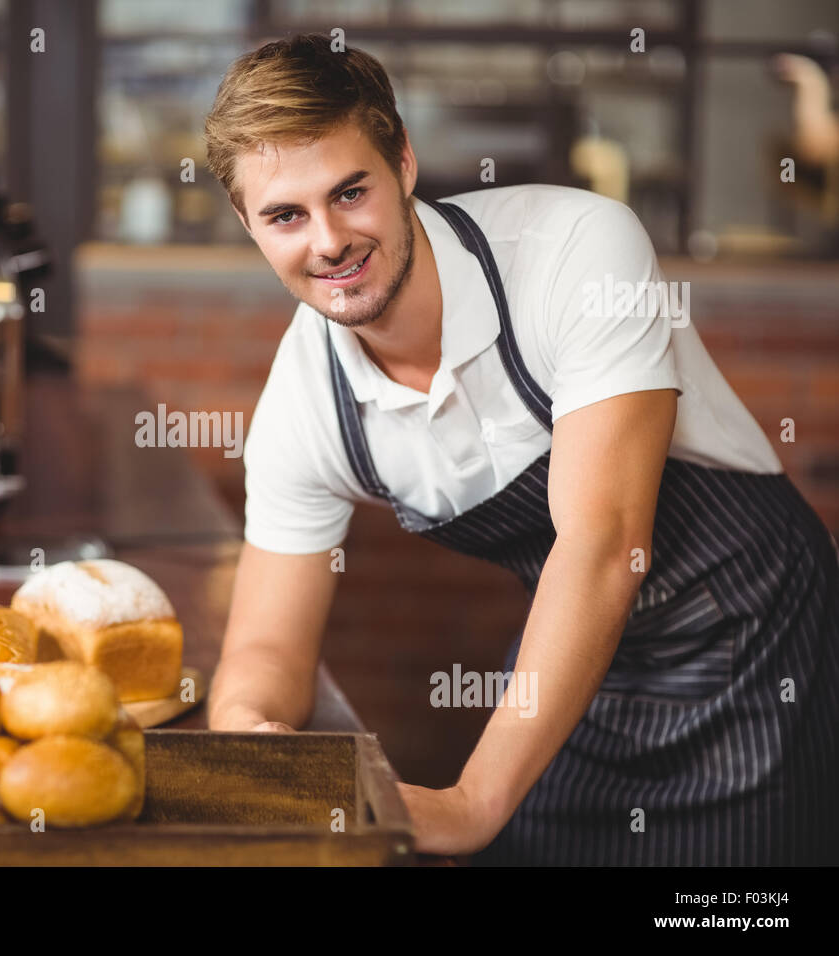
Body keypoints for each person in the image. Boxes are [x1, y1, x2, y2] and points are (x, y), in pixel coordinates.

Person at [202, 33, 839, 866]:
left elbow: (604, 545)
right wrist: (253, 738)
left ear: (403, 162)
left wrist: (472, 804)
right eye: (286, 215)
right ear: (249, 225)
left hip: (759, 651)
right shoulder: (304, 401)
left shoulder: (577, 250)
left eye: (350, 192)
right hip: (577, 667)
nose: (327, 241)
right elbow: (264, 648)